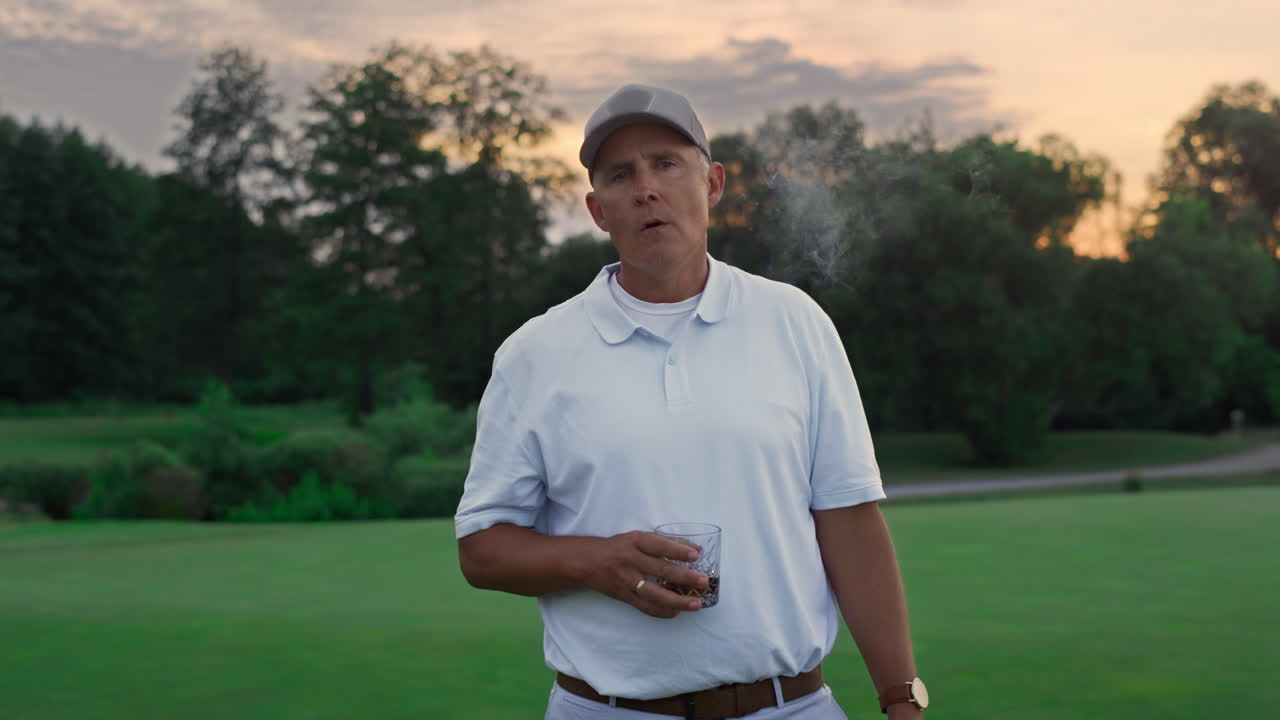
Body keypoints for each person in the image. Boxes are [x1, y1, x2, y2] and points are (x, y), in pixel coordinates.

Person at [455, 84, 928, 719]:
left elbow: (850, 523)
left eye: (666, 163)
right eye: (621, 175)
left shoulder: (794, 322)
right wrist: (599, 562)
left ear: (712, 183)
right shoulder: (533, 355)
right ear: (598, 210)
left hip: (792, 707)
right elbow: (481, 548)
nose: (646, 188)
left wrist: (902, 698)